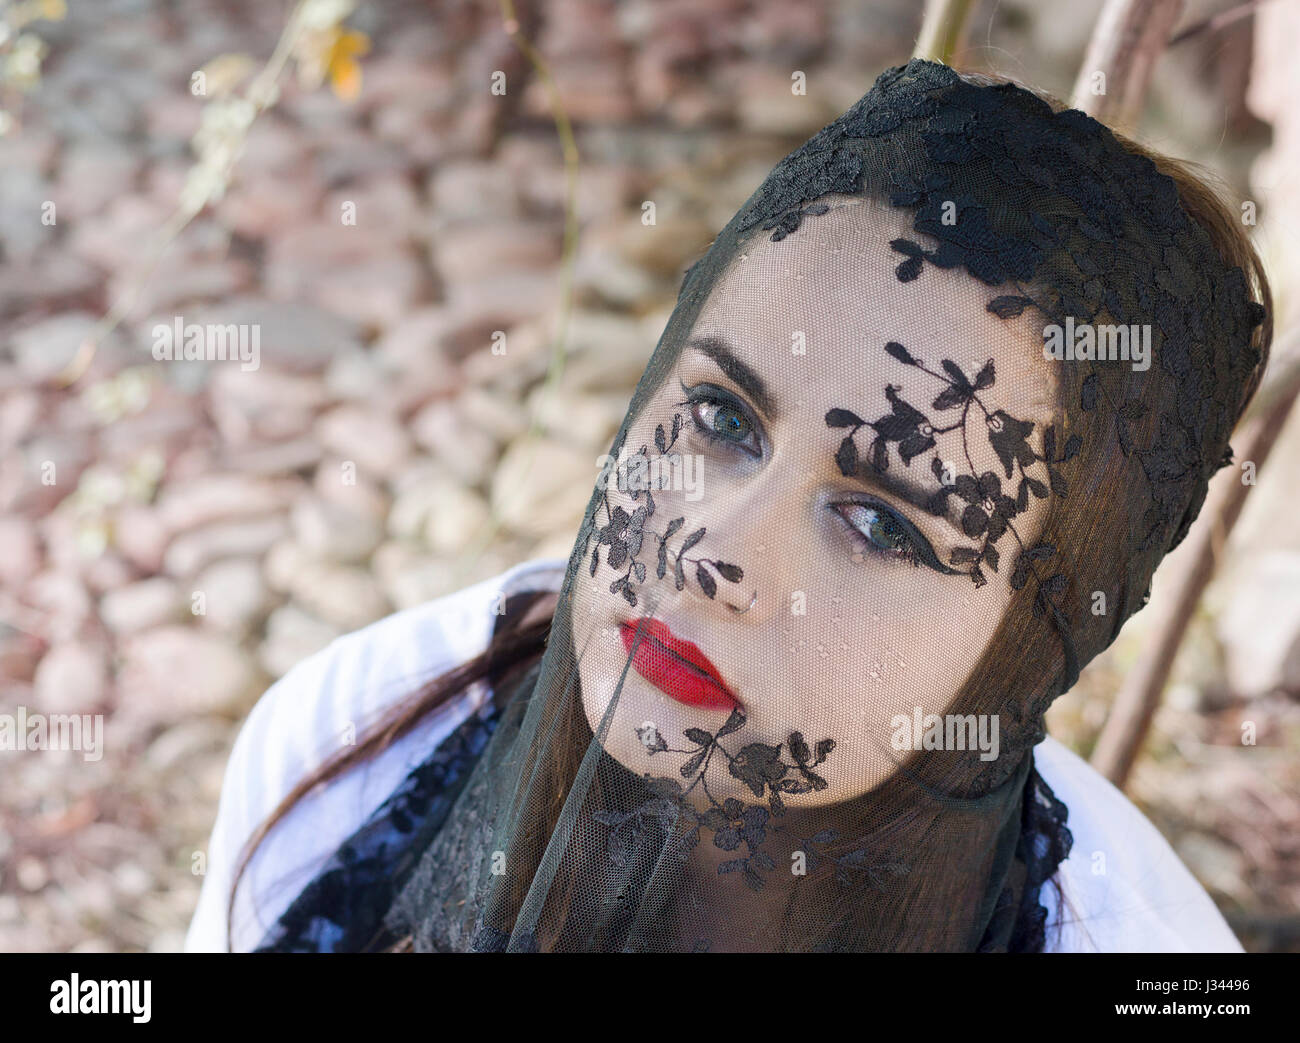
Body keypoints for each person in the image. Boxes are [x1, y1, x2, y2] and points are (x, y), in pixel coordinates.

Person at [187, 59, 1270, 953]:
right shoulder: (346, 756)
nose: (712, 548)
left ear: (1035, 643)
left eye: (883, 521)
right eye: (719, 415)